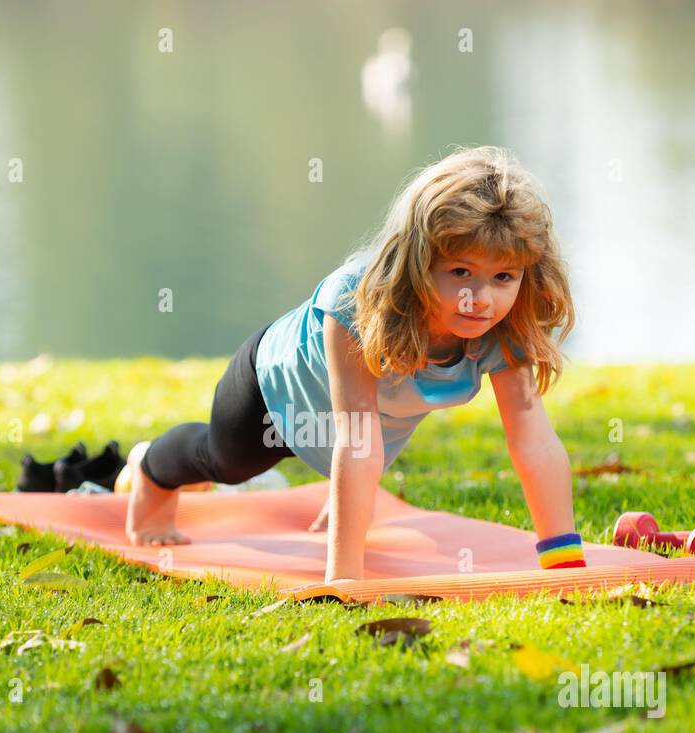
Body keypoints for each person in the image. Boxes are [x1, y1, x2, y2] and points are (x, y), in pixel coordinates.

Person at [125, 145, 585, 582]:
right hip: (276, 395)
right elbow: (357, 434)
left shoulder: (508, 326)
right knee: (226, 463)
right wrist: (345, 577)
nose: (478, 299)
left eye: (503, 277)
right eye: (460, 272)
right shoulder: (356, 303)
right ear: (419, 263)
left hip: (370, 424)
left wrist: (564, 562)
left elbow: (534, 442)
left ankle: (342, 496)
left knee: (367, 451)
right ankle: (150, 468)